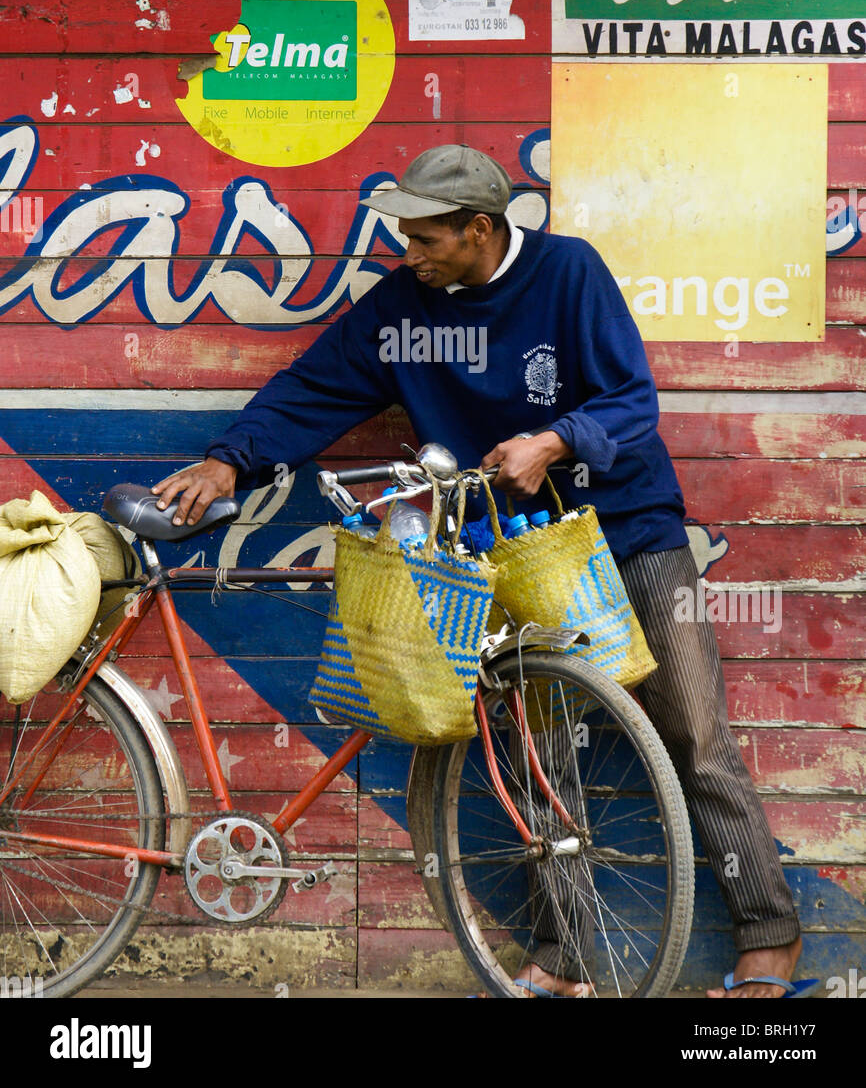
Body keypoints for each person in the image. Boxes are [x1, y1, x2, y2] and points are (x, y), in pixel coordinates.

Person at [154, 144, 807, 1000]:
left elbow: (631, 400)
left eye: (425, 238)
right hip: (501, 549)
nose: (409, 254)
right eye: (405, 239)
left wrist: (554, 438)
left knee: (695, 735)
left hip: (632, 534)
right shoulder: (401, 309)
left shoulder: (568, 273)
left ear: (481, 229)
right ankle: (563, 957)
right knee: (536, 759)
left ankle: (769, 935)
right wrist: (231, 462)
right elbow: (309, 390)